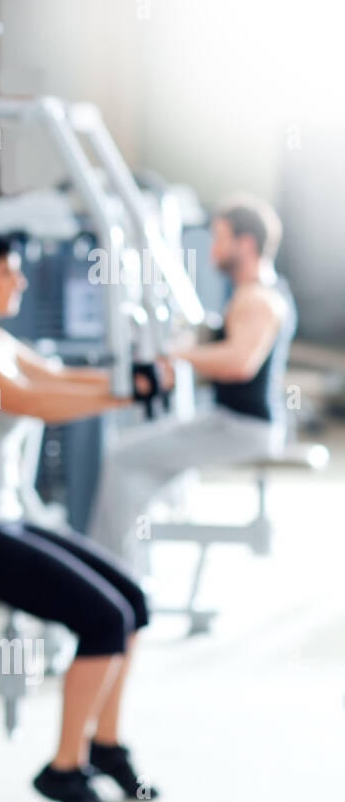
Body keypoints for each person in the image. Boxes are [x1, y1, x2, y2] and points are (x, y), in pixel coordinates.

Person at [0, 226, 158, 802]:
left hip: (4, 519)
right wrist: (126, 396)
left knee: (133, 601)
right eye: (8, 271)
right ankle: (65, 767)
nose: (20, 281)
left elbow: (55, 378)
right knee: (103, 619)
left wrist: (134, 375)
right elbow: (36, 403)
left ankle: (104, 745)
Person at [88, 194, 296, 571]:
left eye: (220, 238)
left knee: (122, 456)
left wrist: (177, 355)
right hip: (233, 421)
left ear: (245, 244)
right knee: (136, 464)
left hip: (242, 428)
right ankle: (127, 566)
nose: (213, 248)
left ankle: (110, 576)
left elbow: (240, 364)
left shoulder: (258, 299)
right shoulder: (255, 294)